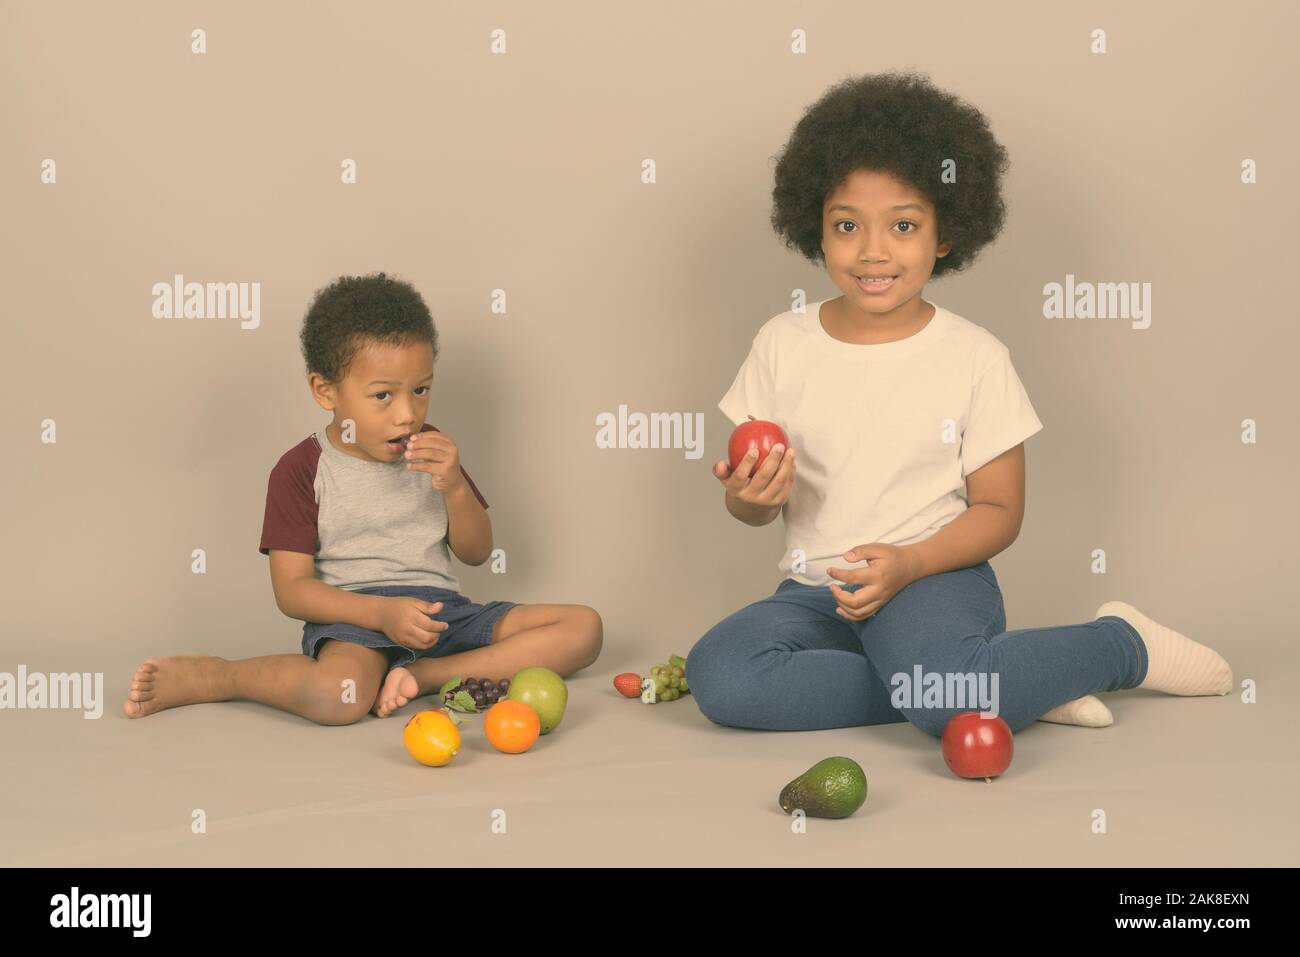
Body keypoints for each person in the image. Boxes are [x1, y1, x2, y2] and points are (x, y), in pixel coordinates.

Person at [687, 71, 1232, 736]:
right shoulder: (781, 342)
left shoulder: (975, 357)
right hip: (818, 594)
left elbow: (1000, 511)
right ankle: (1007, 679)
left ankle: (1117, 644)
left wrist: (911, 562)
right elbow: (754, 506)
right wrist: (748, 497)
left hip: (933, 584)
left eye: (905, 224)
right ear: (817, 231)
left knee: (941, 692)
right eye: (847, 224)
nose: (873, 250)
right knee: (722, 675)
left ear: (945, 235)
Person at [124, 272, 602, 723]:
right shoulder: (302, 469)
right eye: (383, 396)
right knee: (336, 697)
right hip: (356, 621)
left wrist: (455, 487)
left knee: (583, 628)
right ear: (325, 391)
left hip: (441, 615)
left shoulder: (432, 449)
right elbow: (292, 592)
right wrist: (380, 614)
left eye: (420, 390)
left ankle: (423, 675)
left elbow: (477, 554)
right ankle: (220, 675)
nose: (407, 414)